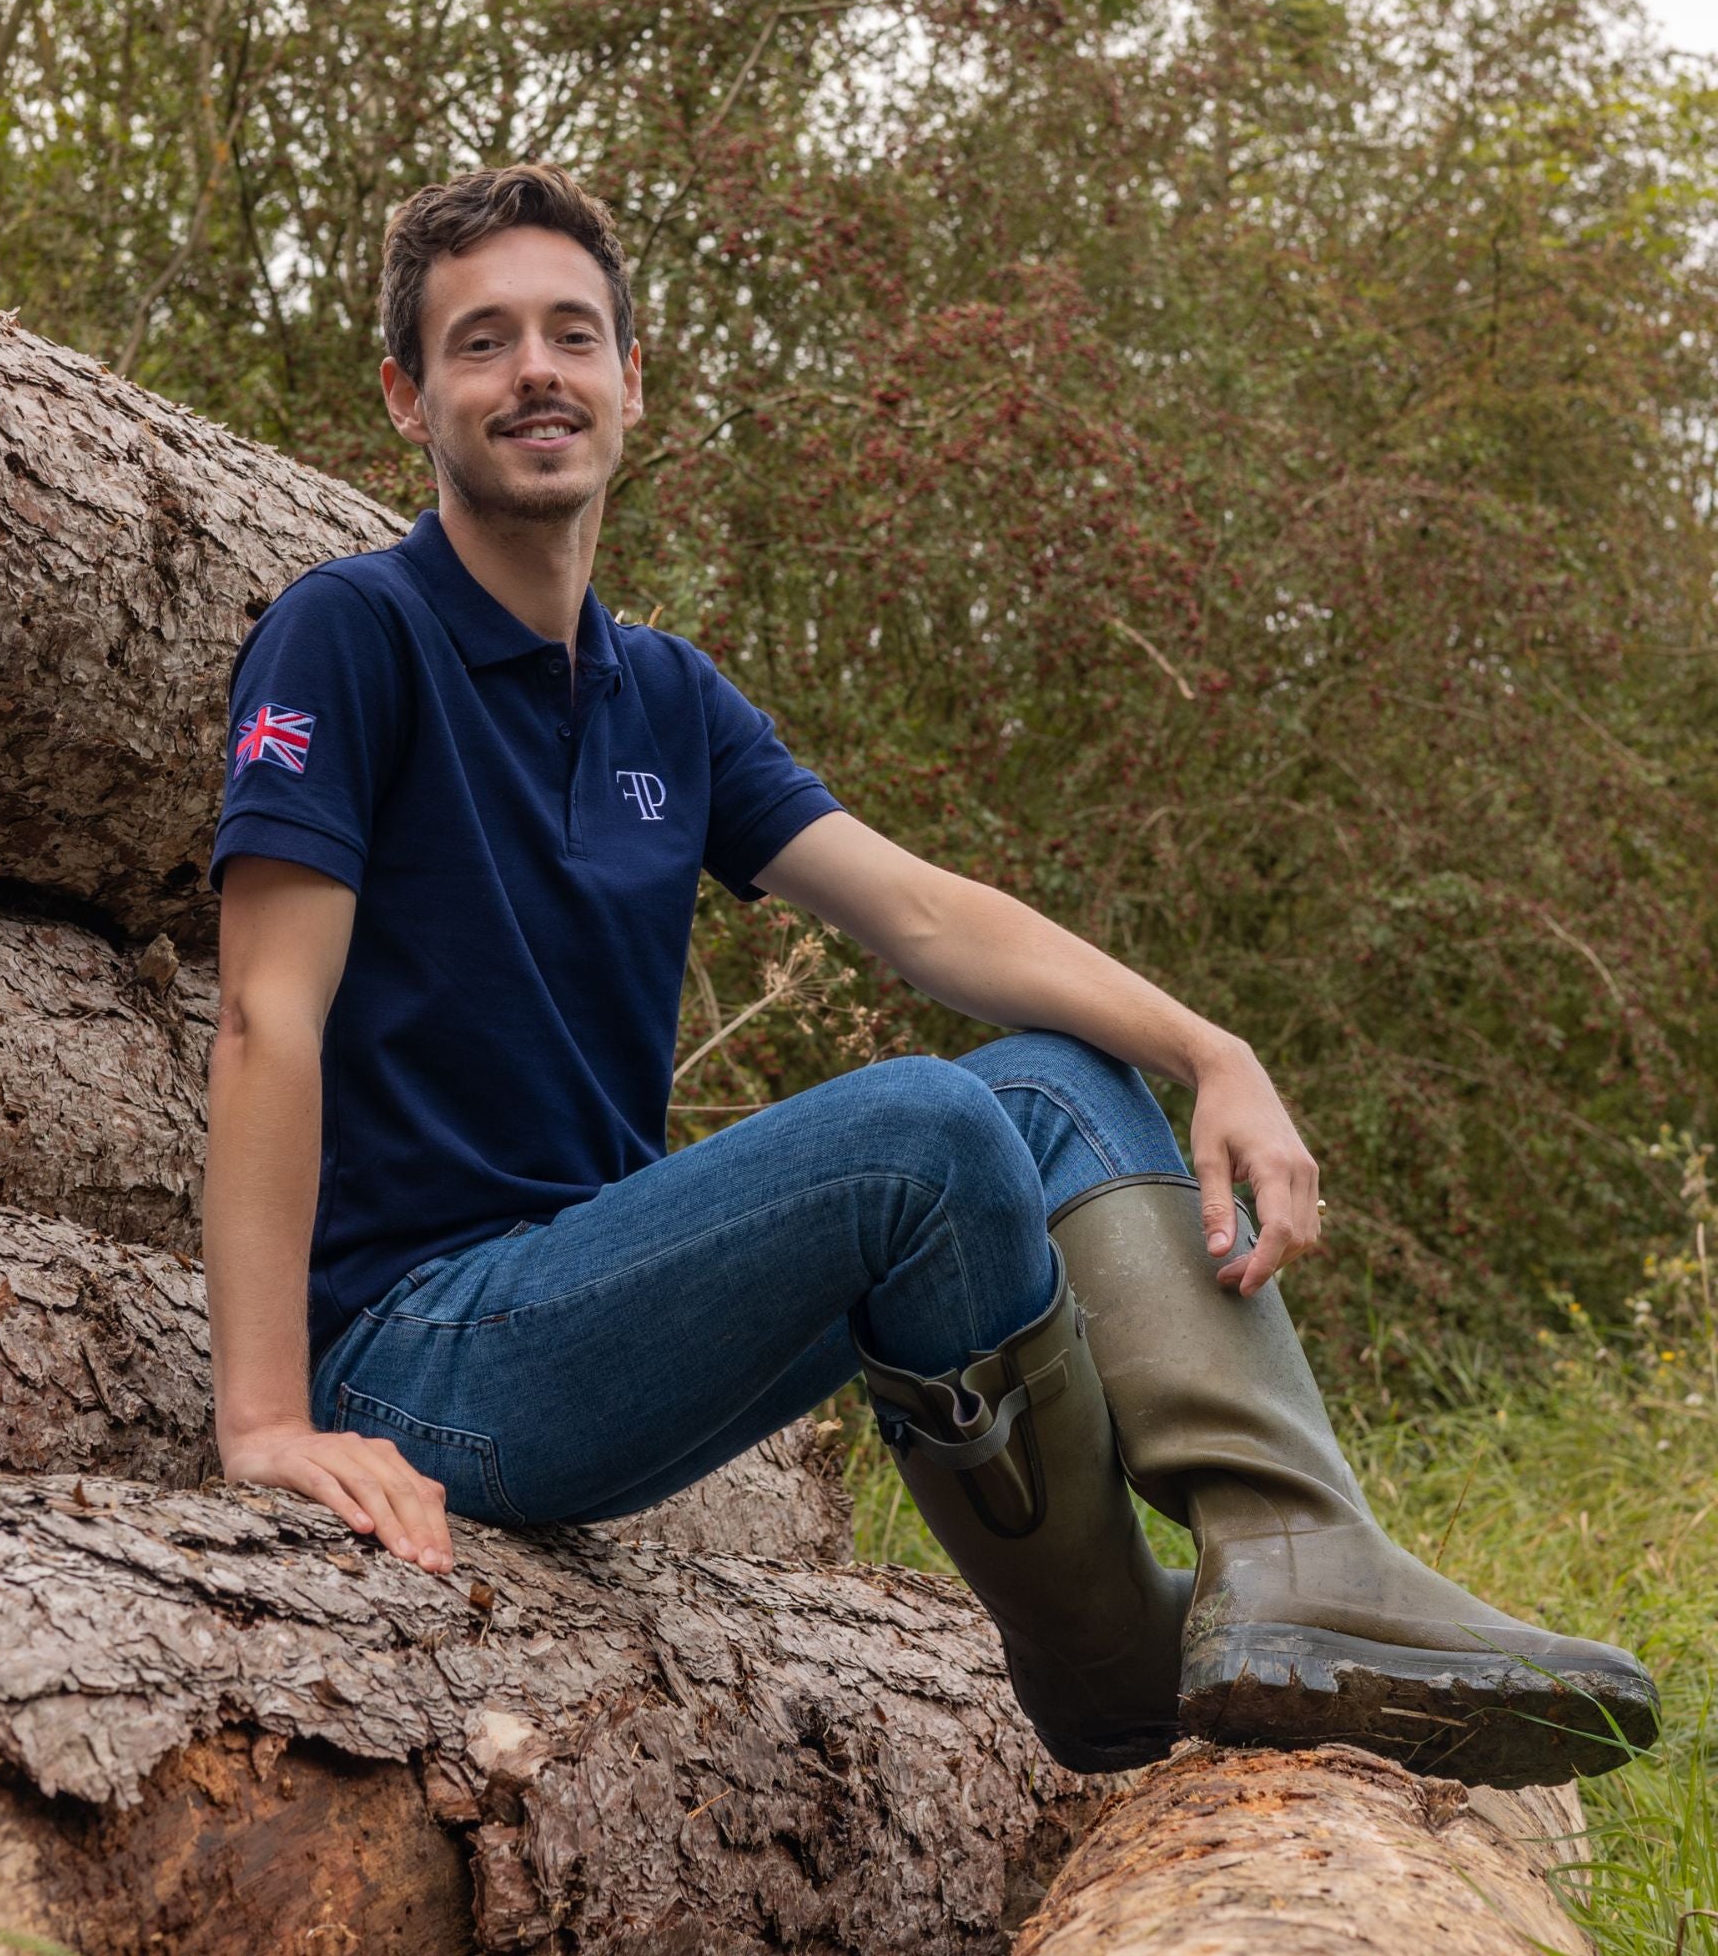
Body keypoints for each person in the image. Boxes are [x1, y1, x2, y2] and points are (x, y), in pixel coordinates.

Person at [201, 162, 1655, 1788]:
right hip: (429, 1356)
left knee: (1056, 1079)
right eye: (481, 343)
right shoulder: (352, 632)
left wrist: (1211, 1048)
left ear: (631, 382)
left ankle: (1278, 1572)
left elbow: (923, 915)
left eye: (571, 334)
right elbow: (271, 1014)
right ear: (409, 395)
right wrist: (266, 1423)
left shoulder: (662, 695)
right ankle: (1115, 1646)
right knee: (921, 1133)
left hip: (594, 1287)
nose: (533, 370)